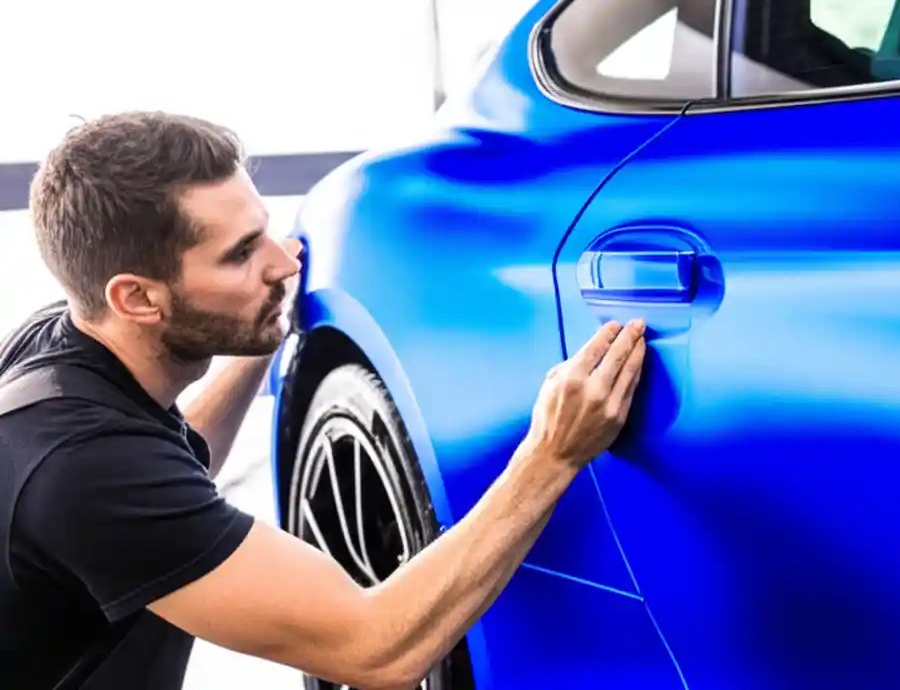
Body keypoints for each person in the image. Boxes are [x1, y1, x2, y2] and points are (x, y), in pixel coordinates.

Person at [0, 111, 647, 690]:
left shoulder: (61, 354)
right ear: (136, 298)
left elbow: (172, 464)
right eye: (241, 255)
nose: (283, 263)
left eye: (265, 231)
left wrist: (260, 340)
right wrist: (551, 458)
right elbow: (376, 651)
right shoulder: (84, 467)